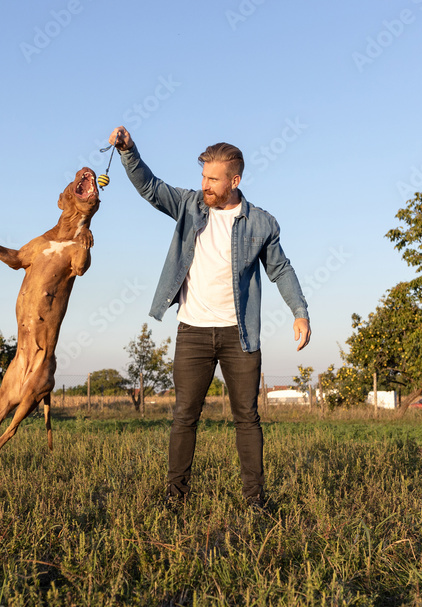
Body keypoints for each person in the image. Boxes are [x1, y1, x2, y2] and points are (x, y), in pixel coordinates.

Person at [108, 126, 311, 509]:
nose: (205, 185)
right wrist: (129, 151)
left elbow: (280, 269)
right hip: (194, 333)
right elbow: (150, 187)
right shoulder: (188, 205)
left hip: (240, 336)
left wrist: (299, 313)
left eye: (213, 179)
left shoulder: (261, 223)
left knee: (247, 417)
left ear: (235, 180)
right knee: (185, 415)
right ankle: (175, 498)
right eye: (203, 176)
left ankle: (255, 500)